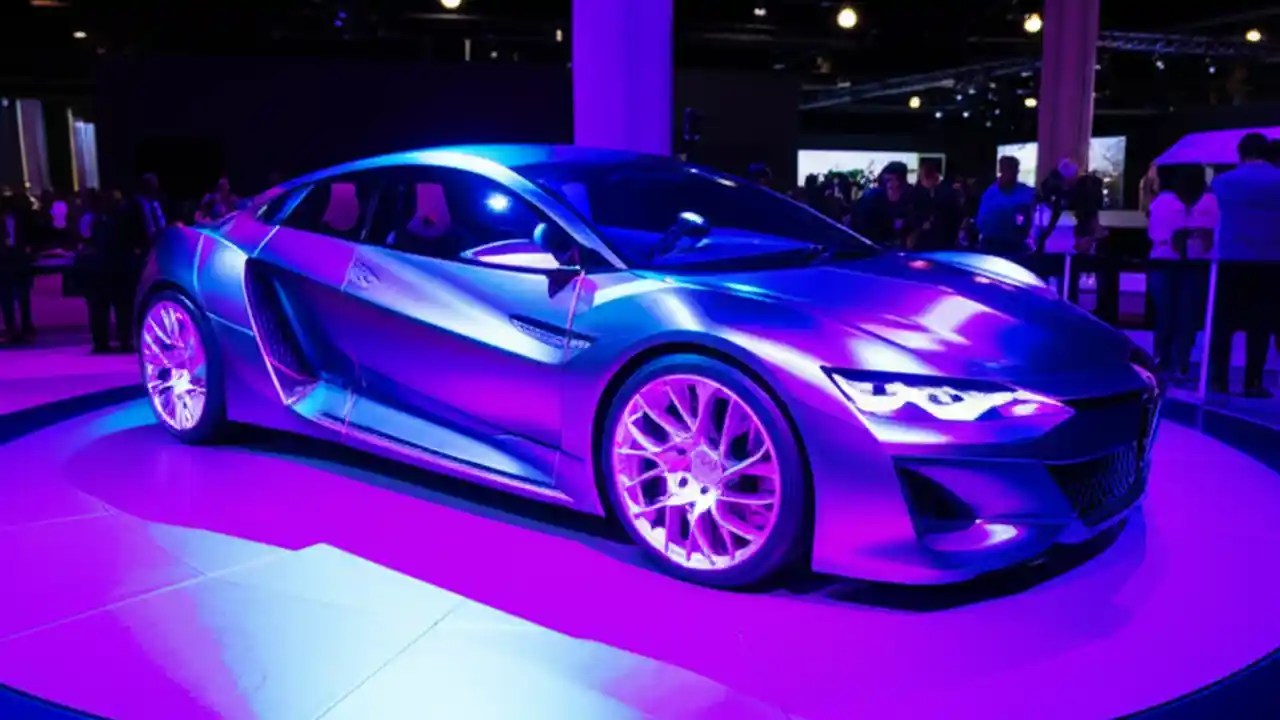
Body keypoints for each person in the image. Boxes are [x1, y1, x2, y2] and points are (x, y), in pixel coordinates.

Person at [1208, 132, 1280, 398]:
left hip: (1231, 258)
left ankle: (1218, 379)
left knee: (1223, 321)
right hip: (1271, 260)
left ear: (1241, 153)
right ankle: (1252, 382)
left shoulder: (1224, 181)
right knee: (1261, 323)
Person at [1146, 165, 1218, 380]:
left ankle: (1172, 362)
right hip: (1176, 263)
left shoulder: (1208, 201)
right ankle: (1171, 362)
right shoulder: (1166, 201)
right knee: (1177, 315)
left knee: (1178, 315)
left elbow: (1154, 232)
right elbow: (1156, 231)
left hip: (1183, 264)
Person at [976, 156, 1036, 257]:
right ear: (1001, 170)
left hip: (1016, 247)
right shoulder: (990, 192)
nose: (1009, 173)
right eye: (1006, 169)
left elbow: (1028, 218)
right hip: (991, 246)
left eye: (1012, 169)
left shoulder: (1026, 192)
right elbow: (981, 222)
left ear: (1017, 171)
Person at [0, 192, 37, 344]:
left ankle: (26, 327)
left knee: (23, 296)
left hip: (20, 260)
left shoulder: (23, 220)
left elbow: (31, 237)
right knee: (6, 297)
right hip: (3, 262)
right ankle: (11, 328)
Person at [852, 162, 914, 248]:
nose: (893, 184)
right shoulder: (870, 199)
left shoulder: (912, 196)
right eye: (888, 180)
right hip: (870, 247)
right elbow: (862, 230)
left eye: (897, 180)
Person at [910, 159, 961, 251]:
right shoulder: (921, 192)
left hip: (943, 238)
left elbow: (952, 217)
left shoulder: (947, 193)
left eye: (922, 178)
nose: (922, 181)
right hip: (926, 240)